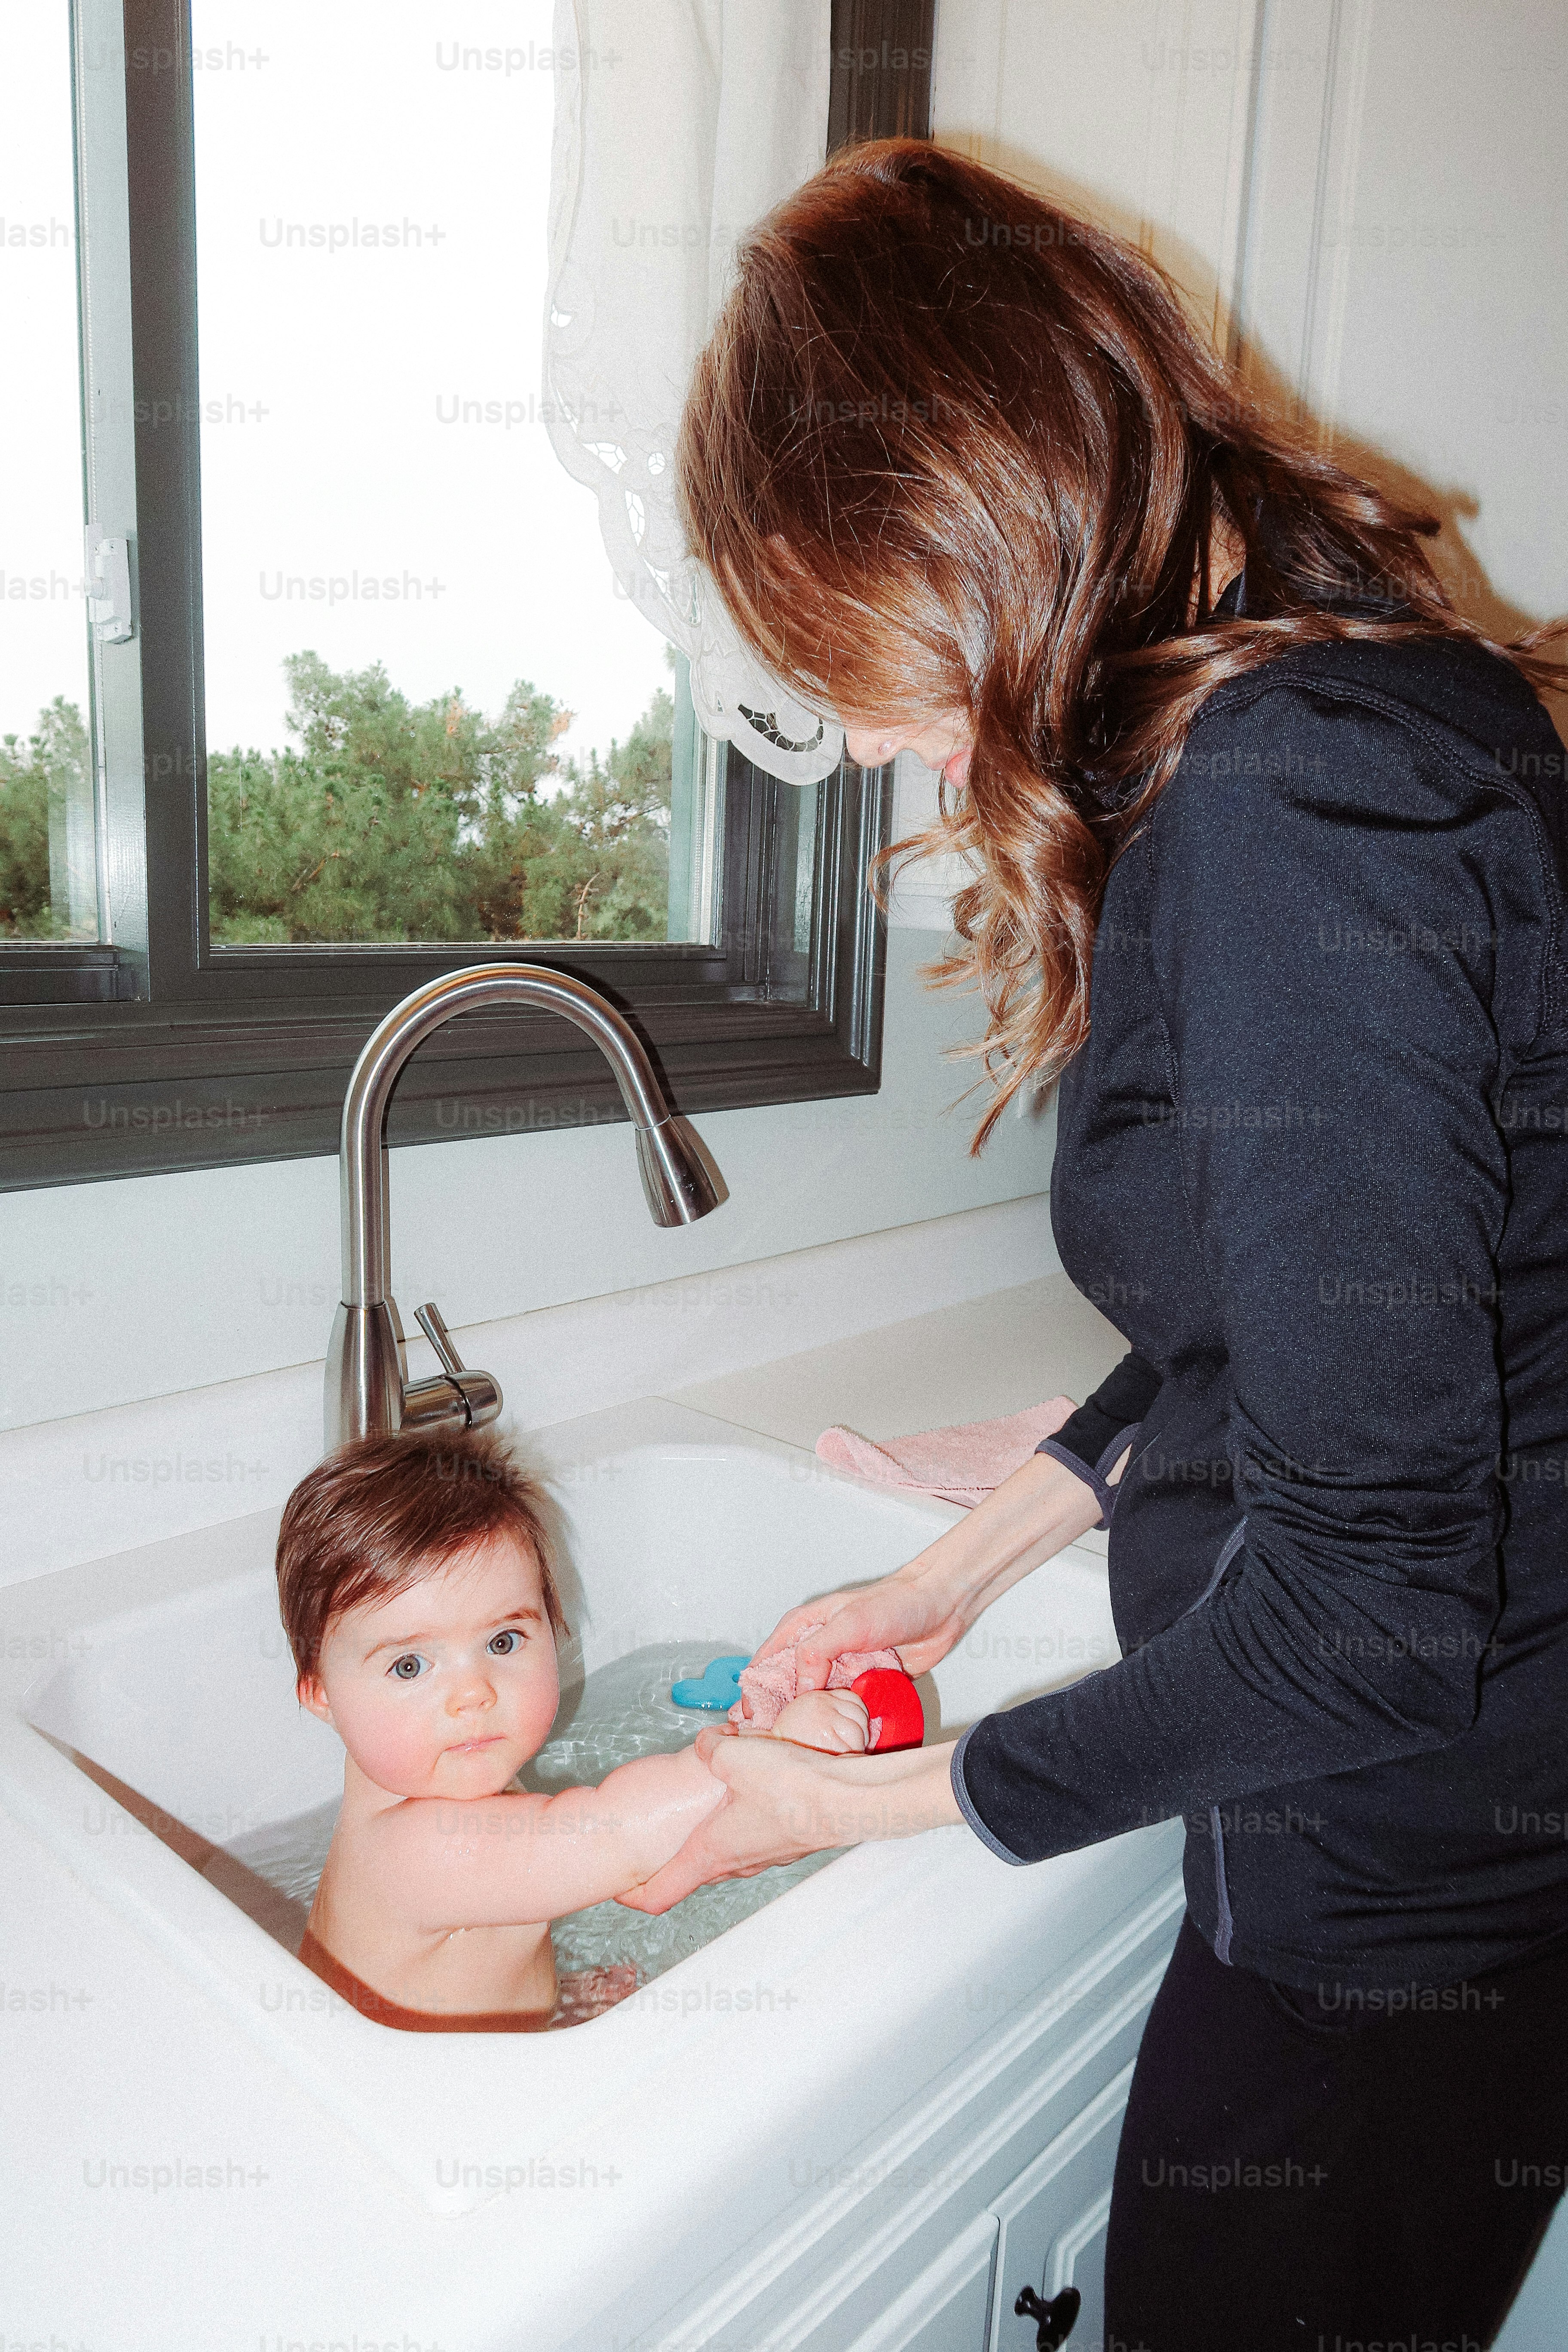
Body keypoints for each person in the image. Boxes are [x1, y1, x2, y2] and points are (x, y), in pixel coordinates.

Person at [622, 138, 1568, 2344]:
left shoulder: (1280, 809)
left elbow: (1365, 1608)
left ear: (947, 509)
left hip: (1385, 1899)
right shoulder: (1367, 714)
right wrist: (939, 1575)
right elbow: (1303, 1305)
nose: (860, 745)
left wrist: (885, 1800)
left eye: (830, 646)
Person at [274, 1427, 871, 2031]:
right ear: (321, 1695)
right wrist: (771, 1750)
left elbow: (530, 1865)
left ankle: (529, 2002)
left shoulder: (436, 1769)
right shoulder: (418, 1852)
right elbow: (616, 1836)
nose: (473, 1693)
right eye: (410, 1665)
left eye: (502, 1642)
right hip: (445, 2108)